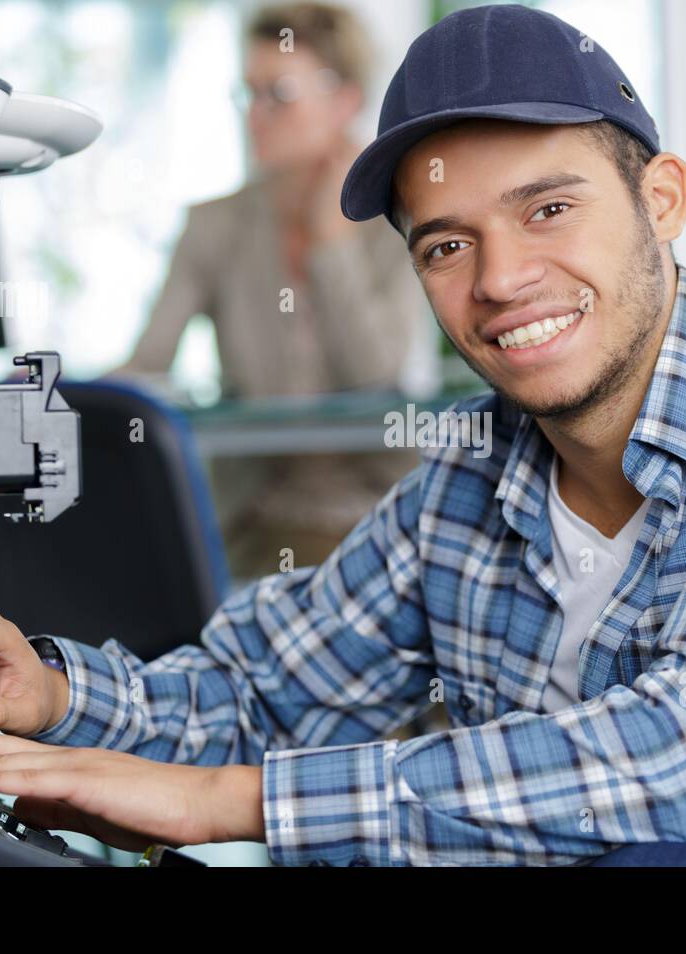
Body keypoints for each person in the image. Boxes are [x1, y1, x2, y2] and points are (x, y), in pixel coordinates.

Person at [0, 5, 686, 867]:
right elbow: (265, 692)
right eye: (447, 245)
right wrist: (57, 693)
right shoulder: (471, 468)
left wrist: (243, 803)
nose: (501, 280)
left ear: (661, 200)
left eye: (549, 210)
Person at [112, 1, 427, 579]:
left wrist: (332, 248)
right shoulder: (214, 224)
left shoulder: (398, 218)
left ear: (344, 101)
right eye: (247, 94)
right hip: (258, 520)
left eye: (277, 95)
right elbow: (147, 364)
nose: (254, 115)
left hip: (380, 513)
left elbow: (373, 374)